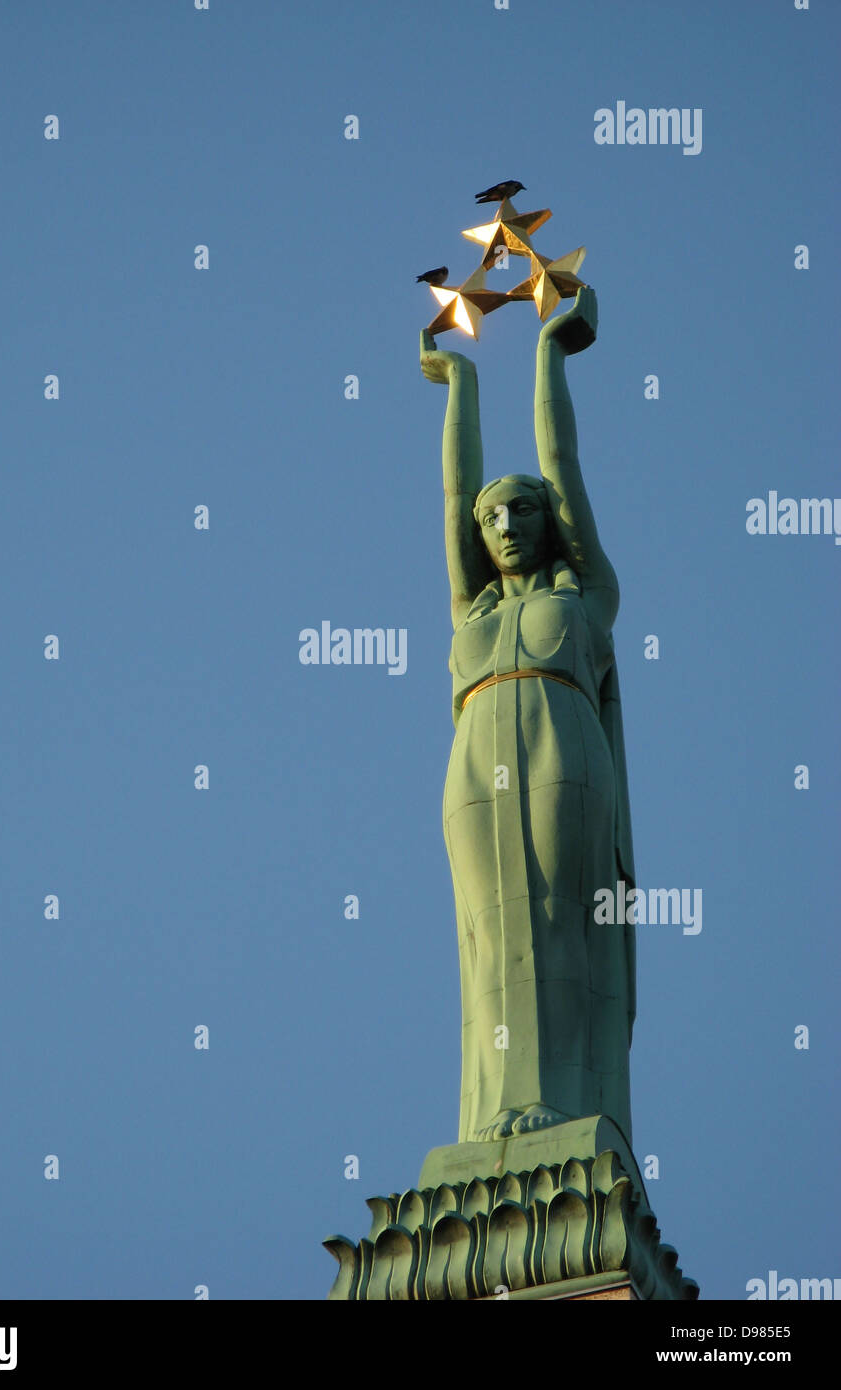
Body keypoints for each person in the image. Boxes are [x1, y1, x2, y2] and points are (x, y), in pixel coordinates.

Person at [419, 287, 637, 1145]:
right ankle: (494, 1111)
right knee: (489, 931)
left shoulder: (586, 600)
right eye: (493, 515)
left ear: (552, 523)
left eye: (523, 509)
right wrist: (458, 384)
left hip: (562, 748)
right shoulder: (468, 611)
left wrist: (549, 353)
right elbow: (450, 495)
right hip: (473, 766)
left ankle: (561, 1100)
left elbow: (565, 460)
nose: (505, 523)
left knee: (555, 916)